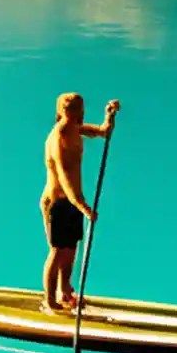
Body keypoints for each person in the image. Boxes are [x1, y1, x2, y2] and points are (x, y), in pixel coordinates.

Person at [41, 93, 119, 313]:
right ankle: (50, 301)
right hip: (58, 202)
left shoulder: (76, 129)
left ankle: (65, 291)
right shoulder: (59, 139)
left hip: (74, 202)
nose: (80, 115)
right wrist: (84, 207)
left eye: (80, 109)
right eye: (75, 110)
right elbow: (65, 180)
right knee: (57, 252)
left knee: (71, 250)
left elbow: (104, 132)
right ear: (63, 113)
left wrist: (109, 116)